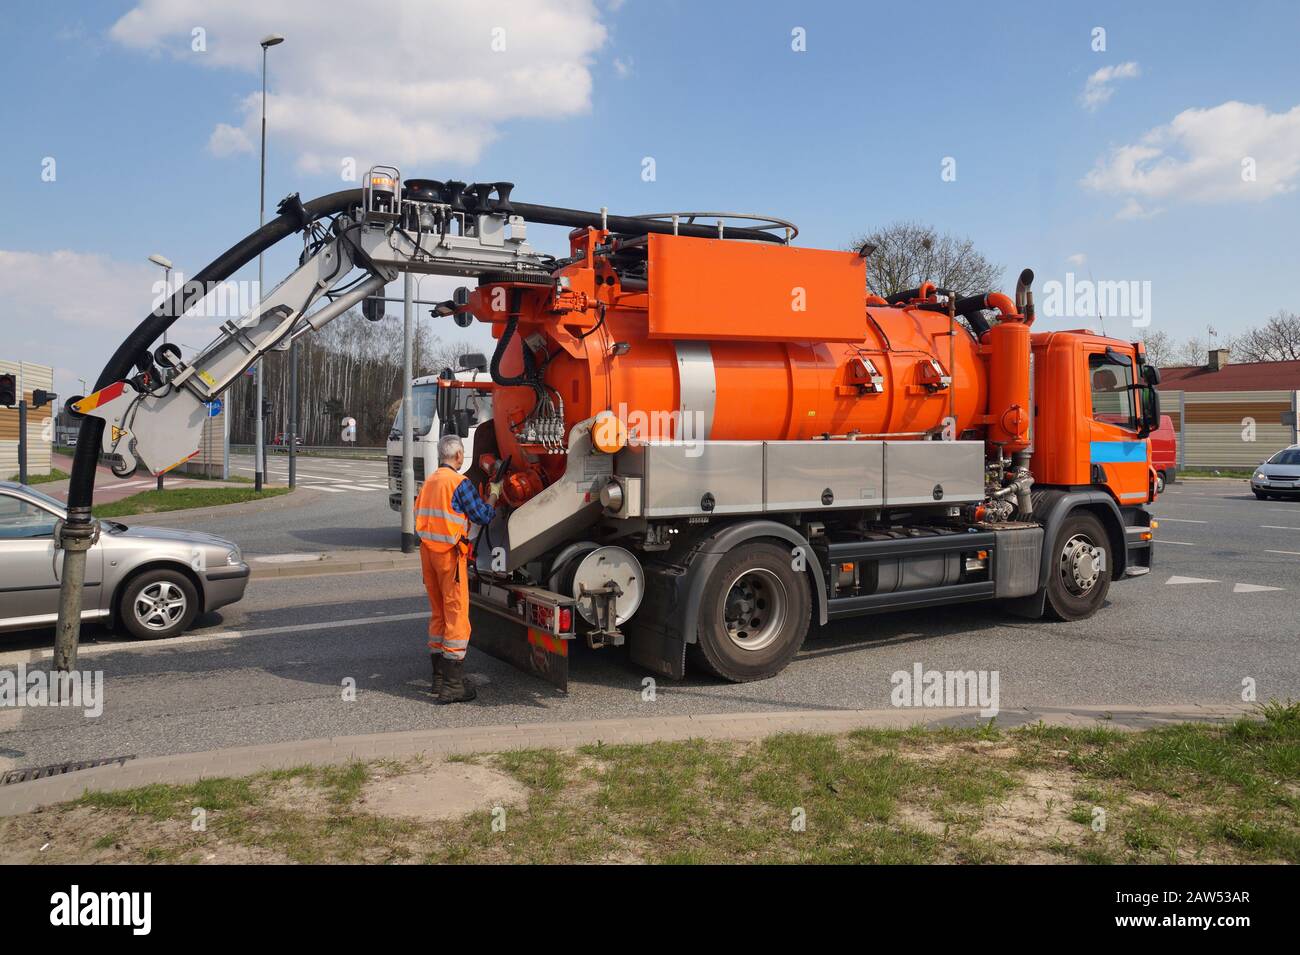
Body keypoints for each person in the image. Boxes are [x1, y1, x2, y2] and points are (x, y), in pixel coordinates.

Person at [415, 433, 501, 704]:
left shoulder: (429, 481)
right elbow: (483, 516)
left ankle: (438, 678)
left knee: (438, 613)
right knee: (456, 615)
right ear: (459, 456)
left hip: (428, 553)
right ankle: (453, 685)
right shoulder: (459, 483)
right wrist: (494, 496)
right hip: (450, 557)